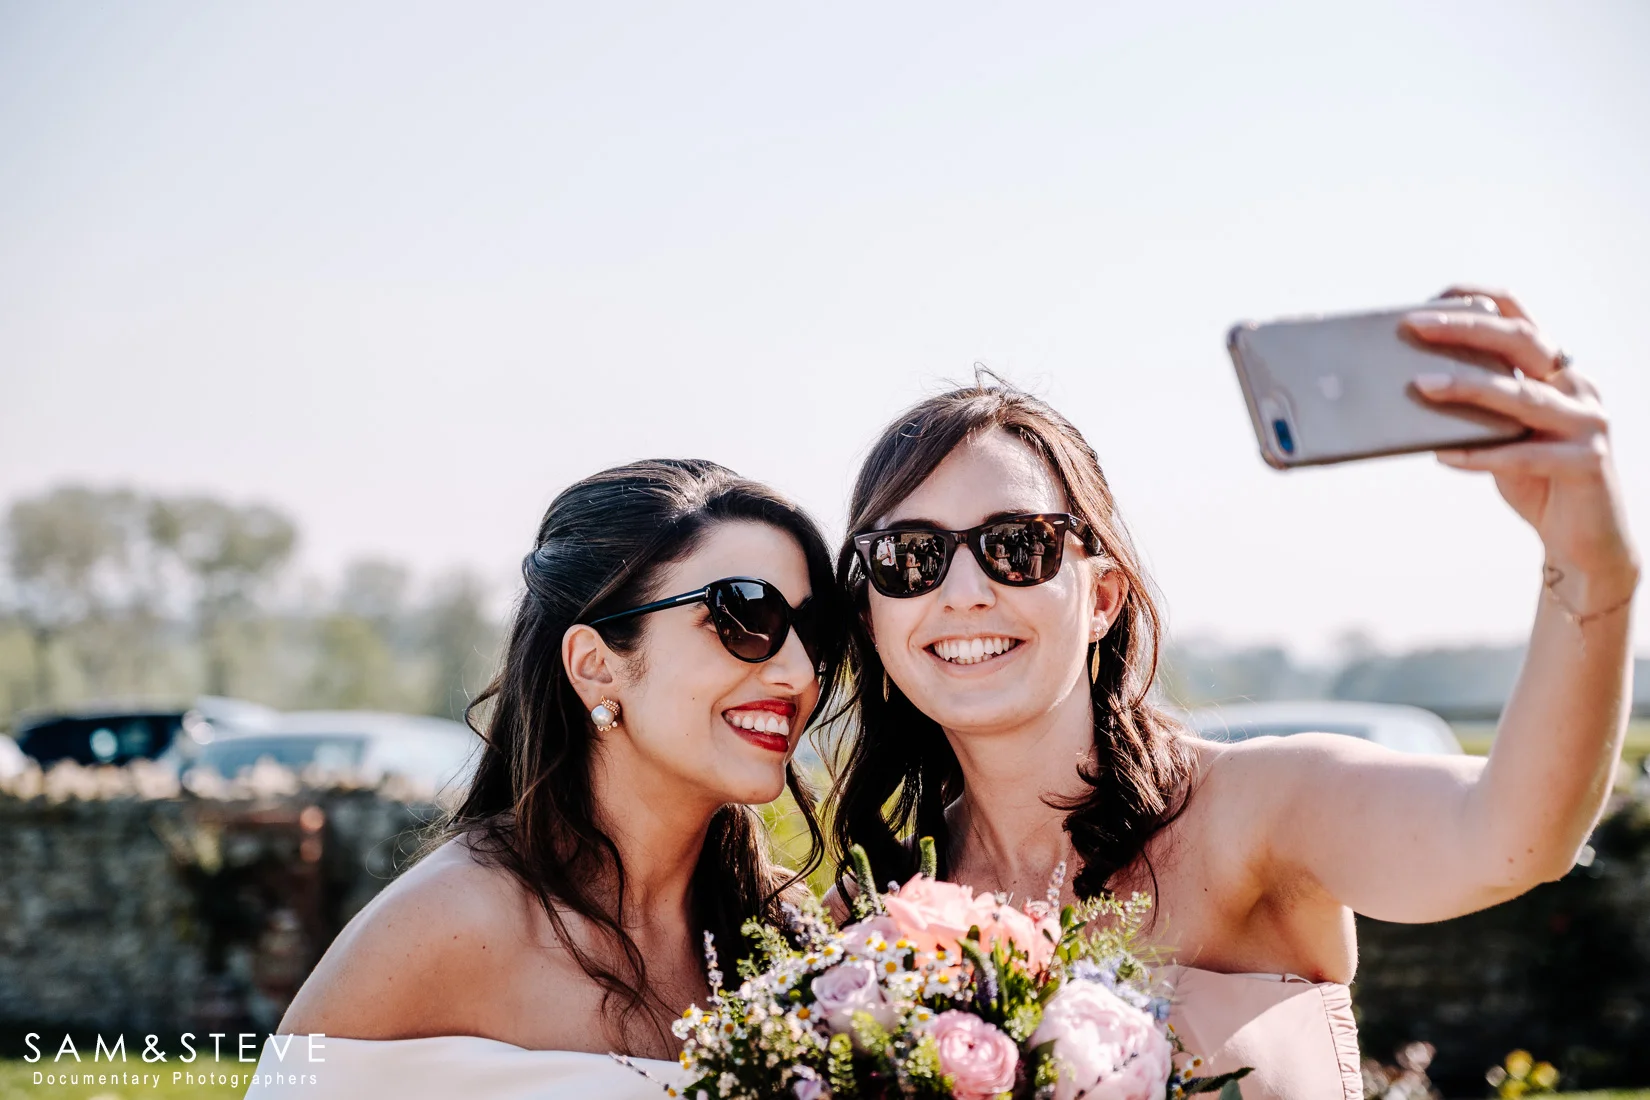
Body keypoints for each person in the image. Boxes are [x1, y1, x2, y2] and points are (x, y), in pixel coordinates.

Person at [827, 290, 1637, 1100]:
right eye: (911, 556)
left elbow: (1512, 835)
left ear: (1102, 599)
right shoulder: (870, 912)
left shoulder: (1253, 809)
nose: (962, 590)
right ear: (873, 611)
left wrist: (1592, 570)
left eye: (1015, 546)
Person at [247, 459, 843, 1099]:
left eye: (811, 630)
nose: (799, 673)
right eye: (745, 616)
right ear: (595, 666)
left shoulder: (785, 935)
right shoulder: (448, 925)